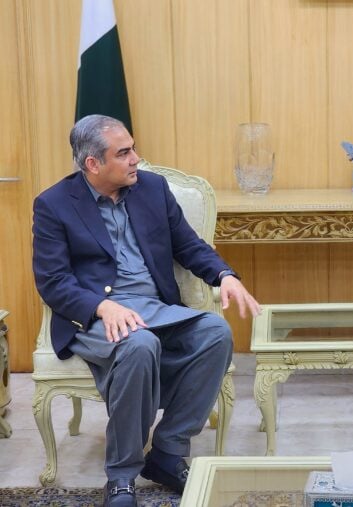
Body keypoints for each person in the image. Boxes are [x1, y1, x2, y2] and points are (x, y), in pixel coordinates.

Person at [32, 114, 261, 507]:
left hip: (156, 307)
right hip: (95, 315)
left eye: (133, 148)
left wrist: (224, 276)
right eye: (124, 153)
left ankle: (168, 454)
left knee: (215, 333)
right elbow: (53, 280)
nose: (137, 158)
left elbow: (188, 246)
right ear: (93, 164)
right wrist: (103, 306)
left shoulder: (153, 189)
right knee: (138, 346)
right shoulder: (54, 204)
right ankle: (121, 476)